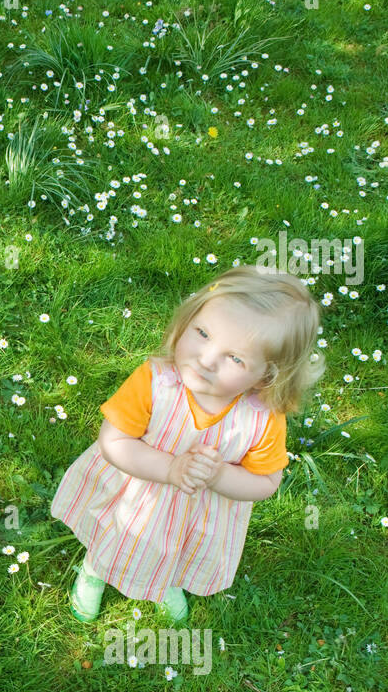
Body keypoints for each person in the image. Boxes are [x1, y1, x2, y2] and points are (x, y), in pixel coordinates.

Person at [51, 265, 326, 623]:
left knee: (179, 548)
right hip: (135, 489)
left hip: (198, 512)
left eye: (236, 358)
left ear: (267, 375)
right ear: (188, 318)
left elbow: (266, 482)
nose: (206, 359)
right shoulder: (155, 382)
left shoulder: (262, 418)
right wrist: (170, 468)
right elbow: (114, 441)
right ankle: (95, 571)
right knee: (115, 530)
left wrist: (217, 477)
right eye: (202, 333)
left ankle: (165, 579)